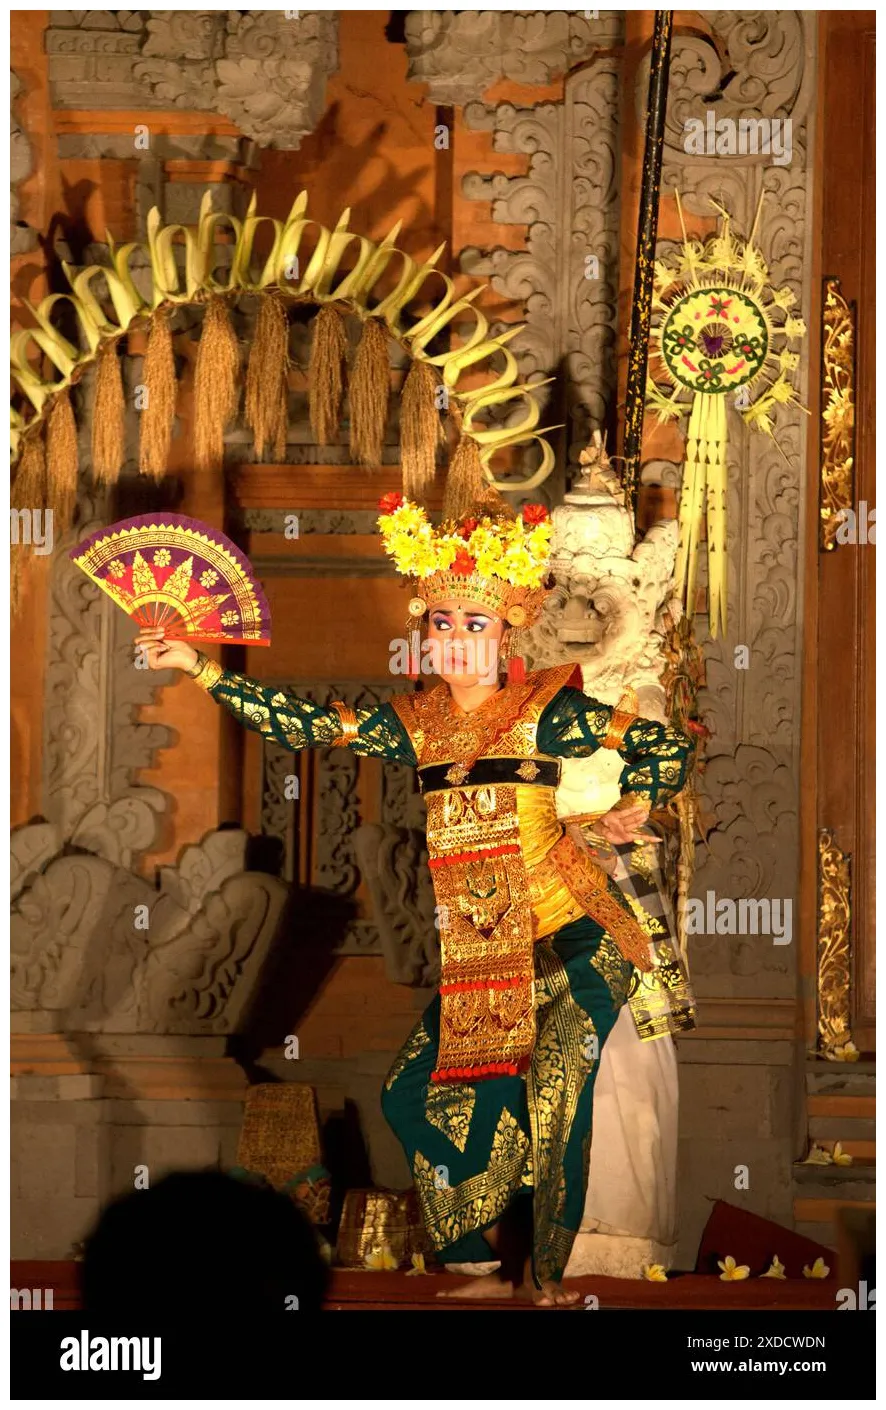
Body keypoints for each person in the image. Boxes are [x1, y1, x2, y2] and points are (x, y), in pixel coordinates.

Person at [135, 492, 691, 1307]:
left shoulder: (547, 709)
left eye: (474, 624)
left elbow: (662, 744)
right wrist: (200, 667)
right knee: (406, 1094)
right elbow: (305, 725)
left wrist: (634, 805)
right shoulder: (416, 722)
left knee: (558, 1100)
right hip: (484, 952)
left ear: (505, 632)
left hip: (576, 935)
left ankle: (547, 1282)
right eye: (442, 623)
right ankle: (473, 1258)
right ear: (423, 633)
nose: (456, 641)